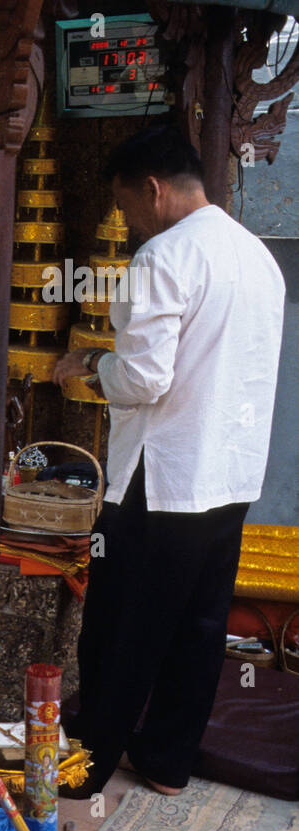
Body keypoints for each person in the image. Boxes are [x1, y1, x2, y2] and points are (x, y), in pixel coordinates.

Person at [51, 125, 285, 796]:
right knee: (198, 626)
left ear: (152, 190)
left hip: (165, 477)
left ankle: (86, 769)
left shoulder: (164, 257)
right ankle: (165, 762)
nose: (127, 220)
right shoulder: (255, 255)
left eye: (126, 205)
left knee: (121, 627)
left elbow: (146, 379)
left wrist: (92, 365)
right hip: (230, 474)